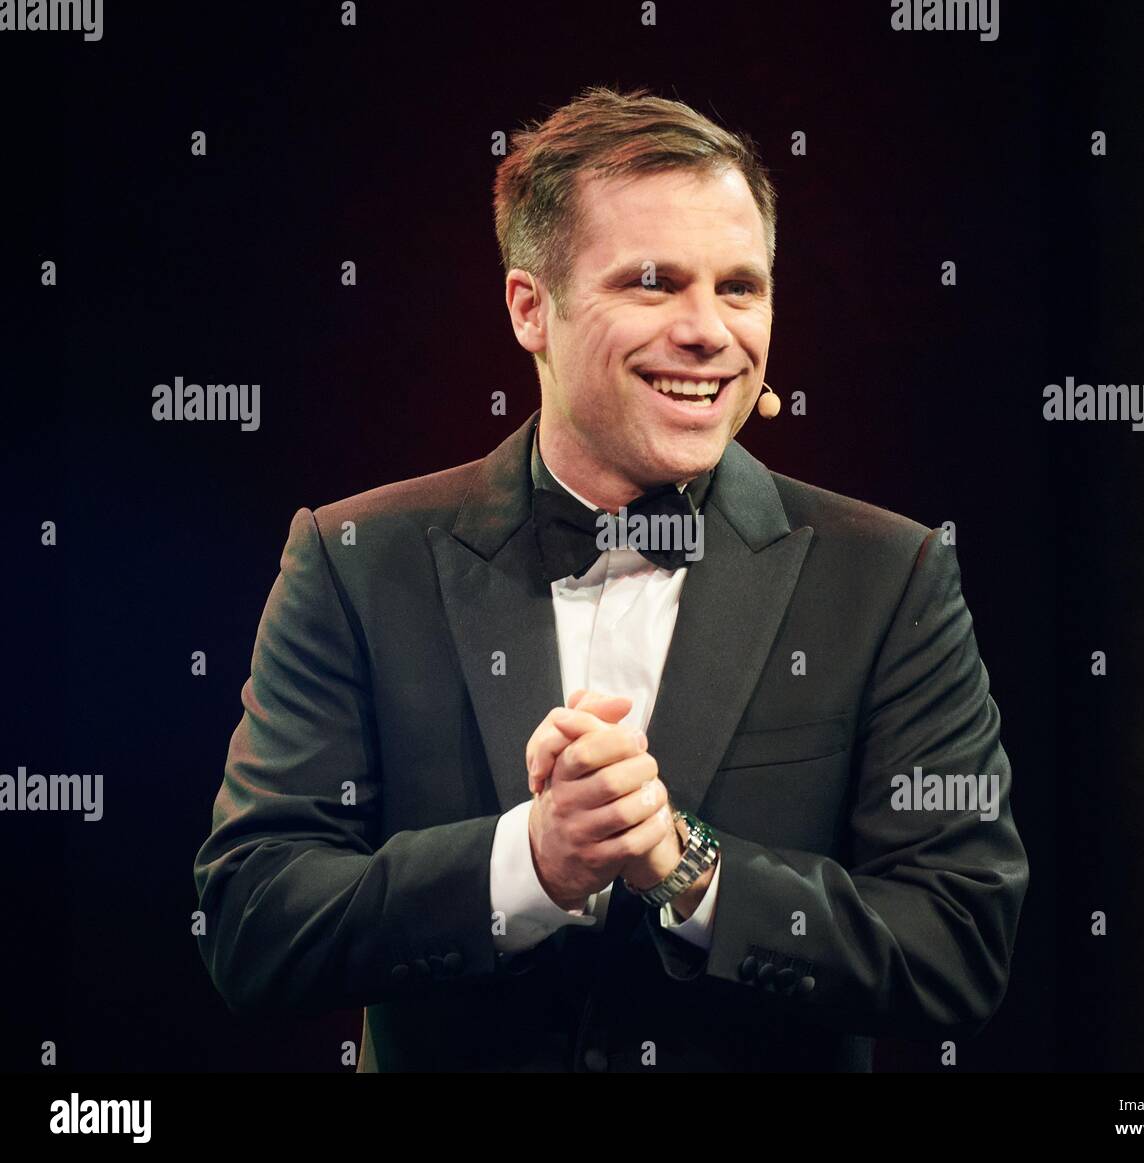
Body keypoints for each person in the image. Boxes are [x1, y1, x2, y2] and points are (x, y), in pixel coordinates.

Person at [193, 85, 1028, 1072]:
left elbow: (956, 948)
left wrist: (689, 867)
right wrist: (529, 862)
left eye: (739, 287)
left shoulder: (888, 578)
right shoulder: (355, 561)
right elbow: (253, 921)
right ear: (529, 308)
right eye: (652, 283)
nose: (708, 330)